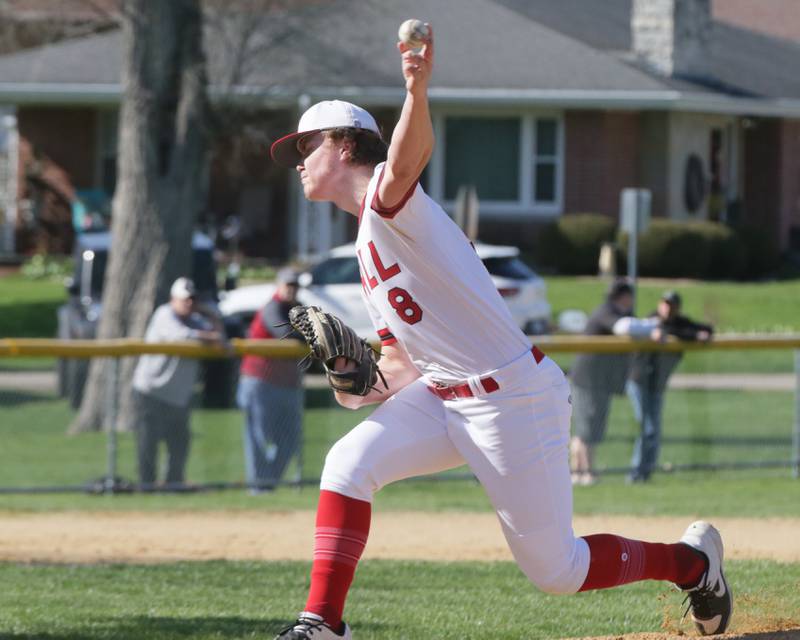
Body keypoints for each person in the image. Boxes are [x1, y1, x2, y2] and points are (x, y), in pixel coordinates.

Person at [267, 24, 731, 640]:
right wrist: (352, 379)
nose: (299, 161)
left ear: (346, 145)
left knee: (557, 571)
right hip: (442, 394)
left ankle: (694, 565)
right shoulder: (366, 245)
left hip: (511, 400)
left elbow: (407, 156)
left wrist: (416, 86)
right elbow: (398, 366)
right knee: (347, 464)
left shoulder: (389, 200)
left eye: (307, 146)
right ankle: (322, 623)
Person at [132, 277, 225, 488]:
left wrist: (209, 314)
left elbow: (220, 338)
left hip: (177, 396)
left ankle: (174, 483)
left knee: (180, 442)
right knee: (148, 441)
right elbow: (181, 337)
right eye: (185, 299)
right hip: (151, 390)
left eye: (193, 299)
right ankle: (147, 485)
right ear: (173, 299)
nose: (189, 303)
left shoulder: (196, 320)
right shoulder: (164, 314)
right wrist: (209, 336)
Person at [568, 280, 661, 486]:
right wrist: (652, 326)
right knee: (587, 429)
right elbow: (623, 327)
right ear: (624, 296)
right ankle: (585, 473)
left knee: (587, 429)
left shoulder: (612, 311)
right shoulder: (607, 311)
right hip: (589, 380)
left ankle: (581, 473)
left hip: (596, 380)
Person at [626, 290, 714, 483]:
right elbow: (670, 331)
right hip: (639, 381)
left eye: (671, 305)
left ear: (677, 308)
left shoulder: (680, 322)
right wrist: (693, 335)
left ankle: (646, 474)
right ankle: (635, 474)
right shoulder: (652, 320)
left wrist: (702, 333)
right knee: (647, 428)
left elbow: (704, 329)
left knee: (654, 429)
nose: (667, 308)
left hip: (657, 385)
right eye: (664, 303)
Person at [237, 267, 304, 492]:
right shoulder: (272, 307)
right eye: (288, 285)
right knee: (258, 436)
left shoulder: (299, 308)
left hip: (285, 383)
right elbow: (283, 333)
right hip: (259, 381)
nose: (291, 289)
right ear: (278, 286)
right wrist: (309, 336)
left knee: (290, 438)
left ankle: (267, 483)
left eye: (295, 285)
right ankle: (260, 487)